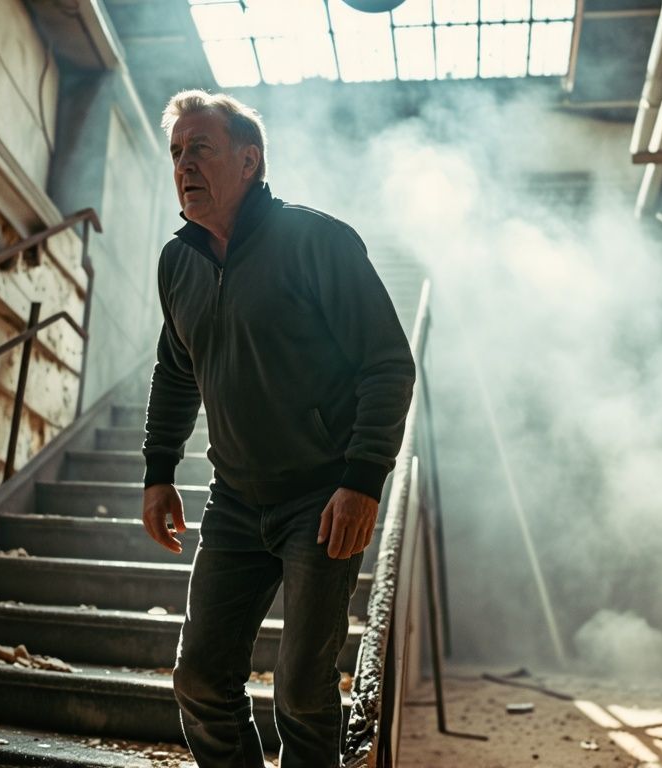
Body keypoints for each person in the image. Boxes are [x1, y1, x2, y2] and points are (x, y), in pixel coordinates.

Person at [140, 90, 415, 768]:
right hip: (234, 500)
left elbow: (387, 364)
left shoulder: (316, 240)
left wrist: (361, 481)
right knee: (201, 679)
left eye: (200, 149)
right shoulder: (178, 263)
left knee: (301, 692)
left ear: (249, 160)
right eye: (176, 153)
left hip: (322, 501)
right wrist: (158, 473)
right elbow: (176, 373)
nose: (184, 165)